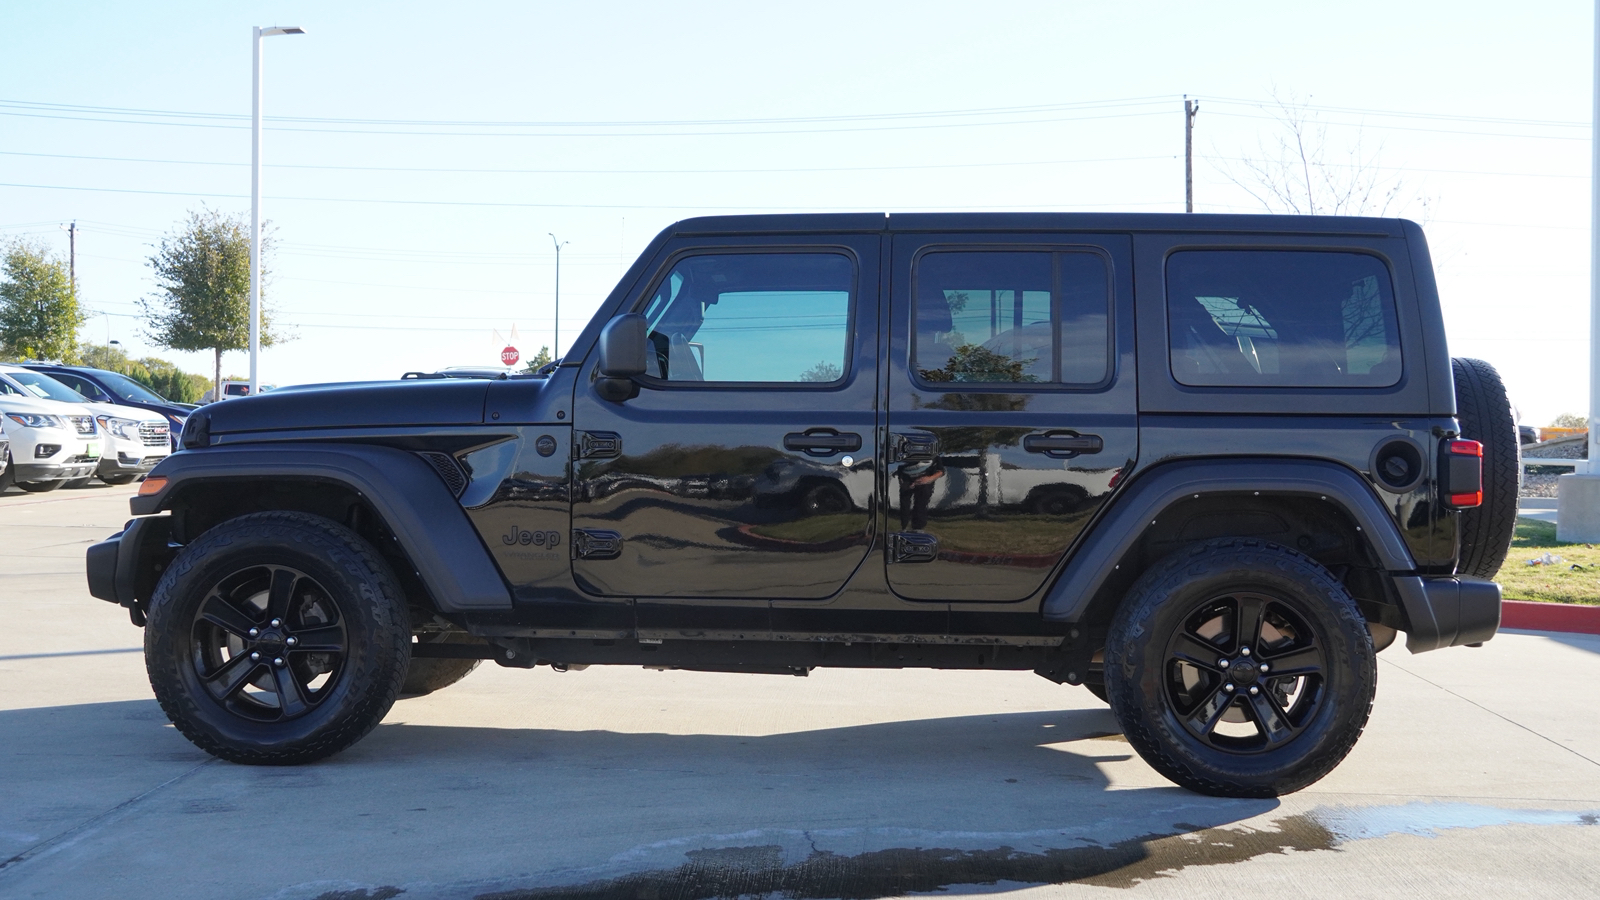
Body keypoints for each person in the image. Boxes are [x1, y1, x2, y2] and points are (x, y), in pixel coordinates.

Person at [895, 457, 945, 531]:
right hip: (906, 479)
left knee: (920, 505)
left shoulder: (933, 454)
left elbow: (941, 471)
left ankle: (917, 528)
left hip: (925, 482)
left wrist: (929, 479)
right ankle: (903, 527)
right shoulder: (905, 452)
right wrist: (901, 478)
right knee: (904, 504)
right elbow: (899, 465)